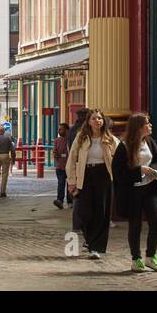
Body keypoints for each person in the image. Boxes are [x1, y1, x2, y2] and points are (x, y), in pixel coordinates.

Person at [113, 112, 157, 273]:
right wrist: (140, 170)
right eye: (147, 123)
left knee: (156, 222)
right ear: (138, 127)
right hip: (132, 191)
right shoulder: (124, 146)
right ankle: (135, 259)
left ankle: (151, 257)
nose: (150, 126)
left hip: (150, 188)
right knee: (135, 225)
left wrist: (155, 171)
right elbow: (118, 171)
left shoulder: (150, 142)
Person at [65, 109, 117, 260]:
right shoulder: (81, 138)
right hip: (85, 176)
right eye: (94, 118)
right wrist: (72, 181)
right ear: (88, 121)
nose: (97, 121)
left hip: (104, 176)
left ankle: (97, 247)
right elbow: (72, 160)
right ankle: (89, 240)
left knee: (102, 212)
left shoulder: (109, 138)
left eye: (100, 118)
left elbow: (120, 156)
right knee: (84, 213)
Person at [52, 123, 72, 209]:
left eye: (61, 129)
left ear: (67, 130)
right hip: (60, 166)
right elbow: (55, 152)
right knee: (61, 183)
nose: (59, 131)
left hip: (70, 166)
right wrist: (55, 154)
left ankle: (70, 201)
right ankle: (59, 200)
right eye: (58, 129)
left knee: (70, 184)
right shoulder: (56, 141)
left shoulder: (71, 140)